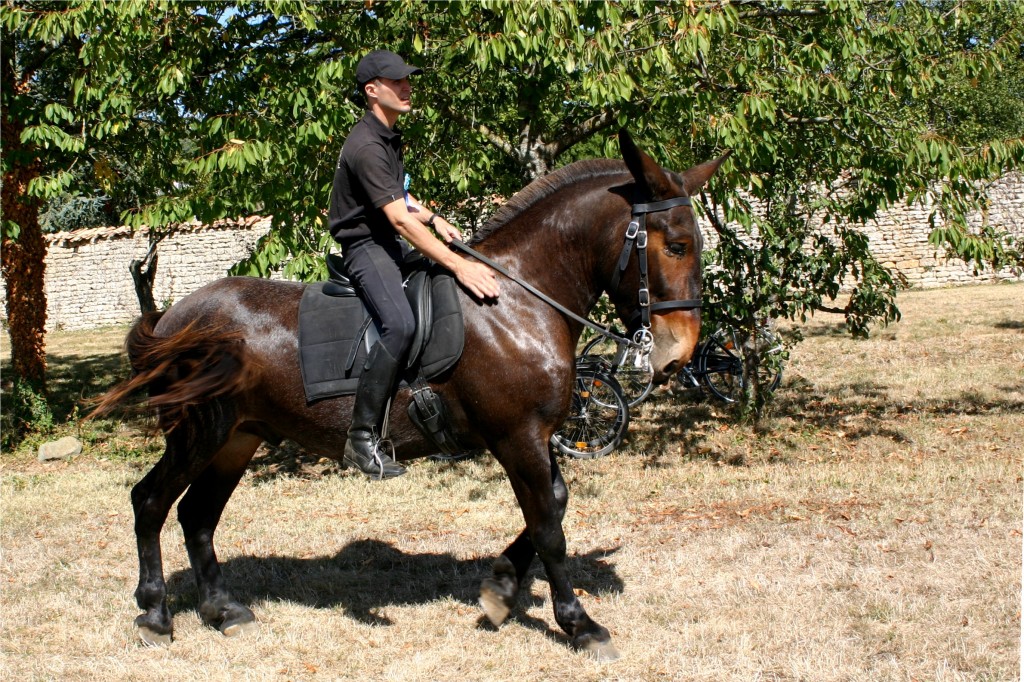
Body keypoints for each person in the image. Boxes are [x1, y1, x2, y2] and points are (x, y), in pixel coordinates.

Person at [328, 49, 500, 479]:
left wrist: (435, 217)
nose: (407, 87)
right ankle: (361, 439)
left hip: (387, 239)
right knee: (401, 324)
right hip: (366, 246)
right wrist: (460, 265)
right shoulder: (366, 144)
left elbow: (400, 197)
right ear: (372, 90)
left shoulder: (387, 135)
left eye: (408, 79)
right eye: (397, 81)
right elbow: (398, 218)